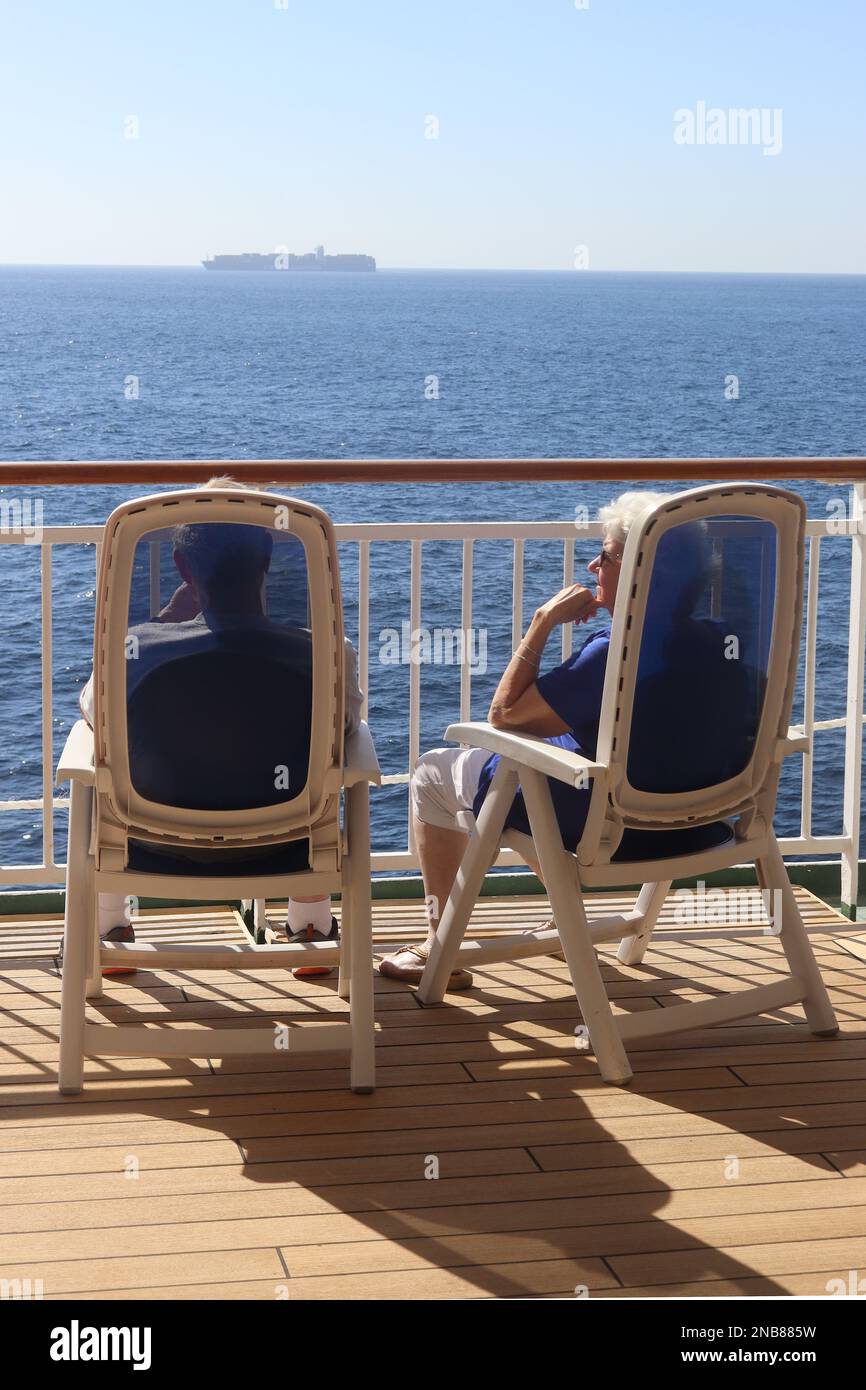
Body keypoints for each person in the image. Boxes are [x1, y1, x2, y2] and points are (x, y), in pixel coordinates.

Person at [73, 477, 363, 980]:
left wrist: (165, 624)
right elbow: (346, 728)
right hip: (284, 849)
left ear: (182, 567)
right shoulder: (326, 655)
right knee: (321, 751)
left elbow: (93, 713)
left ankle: (111, 927)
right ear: (269, 559)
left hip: (154, 846)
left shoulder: (135, 651)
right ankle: (312, 926)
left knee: (103, 751)